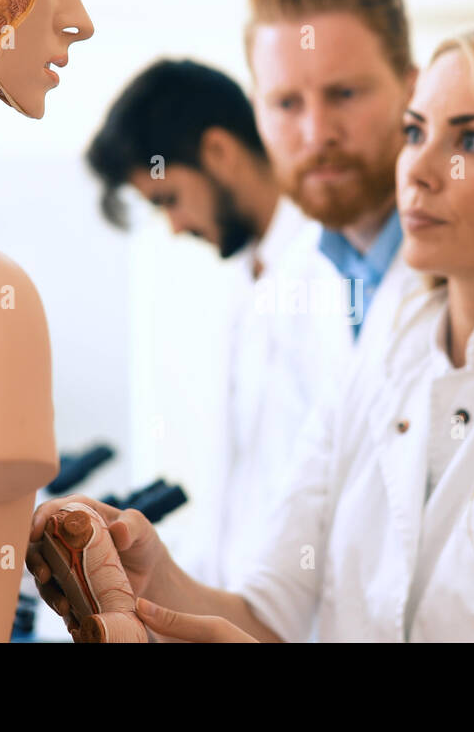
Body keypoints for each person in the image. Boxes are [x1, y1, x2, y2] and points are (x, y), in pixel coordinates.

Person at [28, 30, 474, 642]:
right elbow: (265, 612)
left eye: (471, 142)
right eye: (414, 132)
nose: (418, 170)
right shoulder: (382, 357)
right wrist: (151, 576)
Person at [86, 59, 351, 590]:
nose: (176, 225)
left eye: (170, 200)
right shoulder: (248, 278)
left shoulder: (327, 271)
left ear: (219, 153)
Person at [242, 0, 420, 352]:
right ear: (256, 110)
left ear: (412, 91)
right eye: (287, 103)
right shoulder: (286, 285)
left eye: (344, 94)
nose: (318, 134)